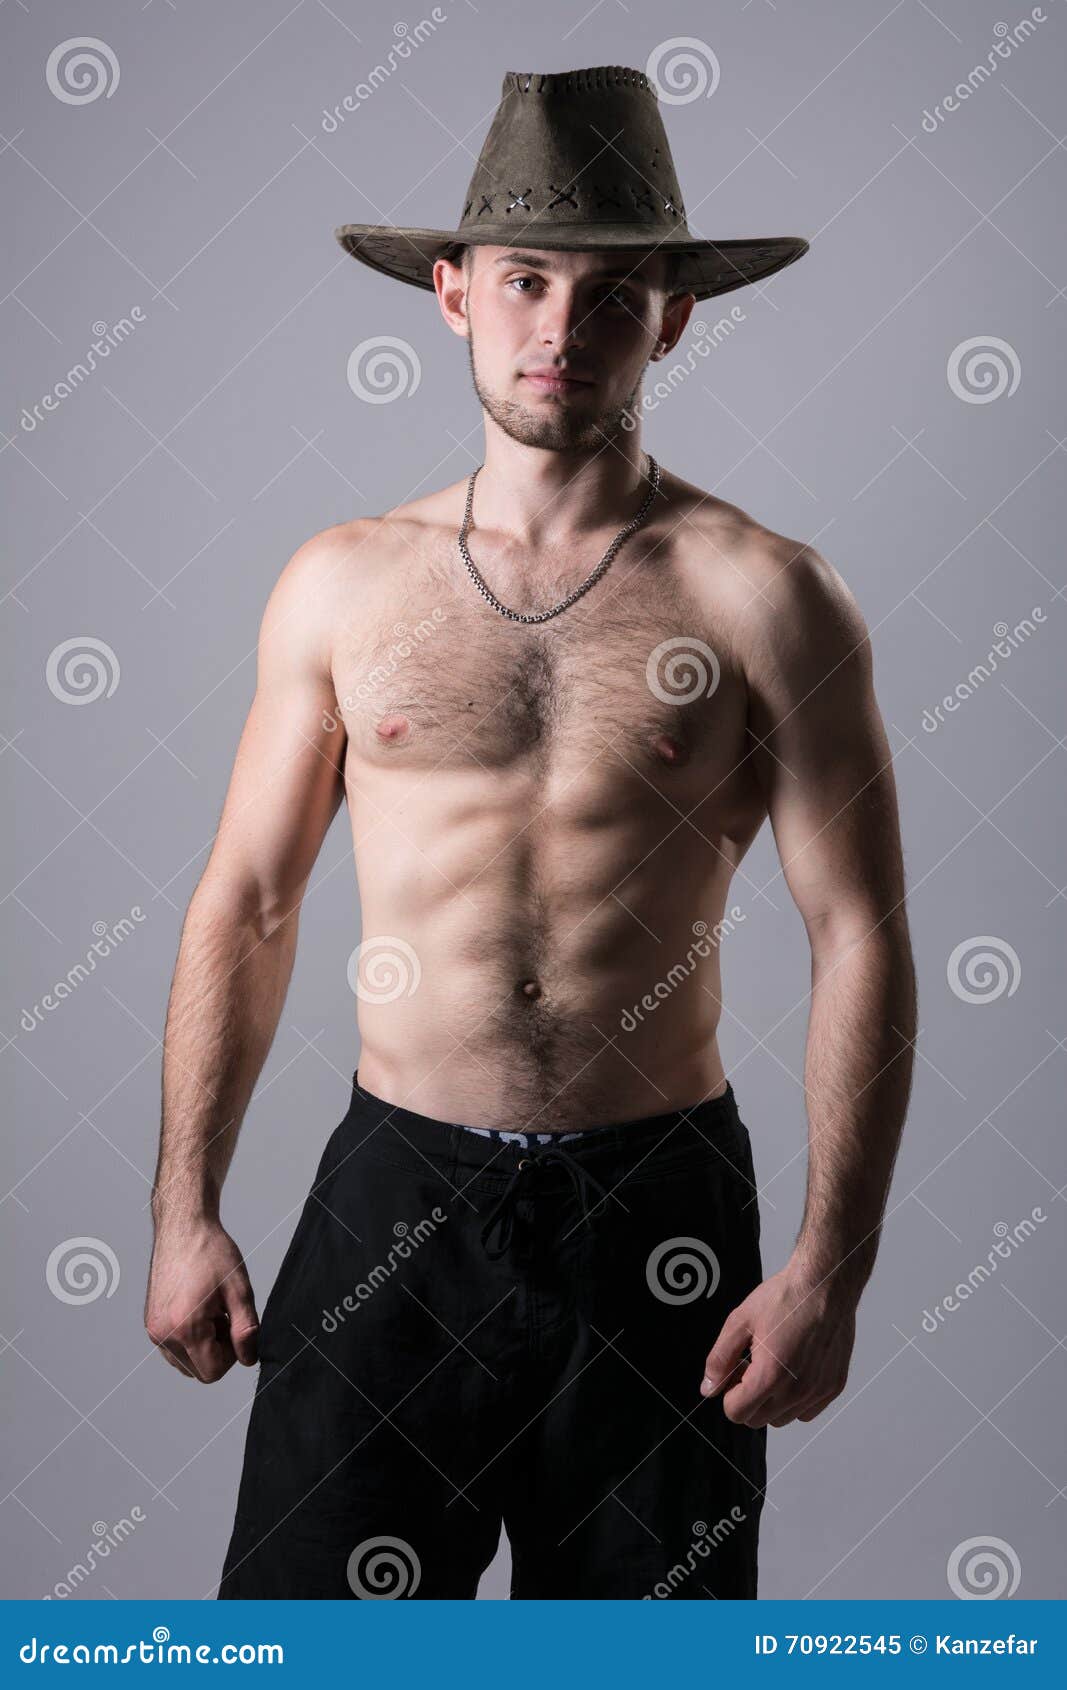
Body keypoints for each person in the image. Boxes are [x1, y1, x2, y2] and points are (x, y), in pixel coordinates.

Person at [144, 65, 916, 1600]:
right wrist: (183, 1210)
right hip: (396, 1198)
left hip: (661, 1210)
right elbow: (246, 900)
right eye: (523, 281)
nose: (561, 331)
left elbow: (863, 932)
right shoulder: (344, 584)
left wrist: (832, 1266)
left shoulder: (766, 594)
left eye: (614, 292)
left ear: (674, 318)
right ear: (452, 293)